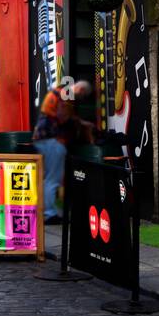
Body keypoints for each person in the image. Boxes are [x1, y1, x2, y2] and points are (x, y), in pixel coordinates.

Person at [33, 79, 94, 224]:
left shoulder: (60, 92)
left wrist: (79, 121)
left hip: (44, 139)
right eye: (83, 96)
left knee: (47, 178)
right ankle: (49, 214)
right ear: (81, 90)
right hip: (52, 140)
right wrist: (79, 123)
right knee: (52, 179)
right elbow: (62, 116)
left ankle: (43, 212)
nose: (81, 99)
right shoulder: (65, 95)